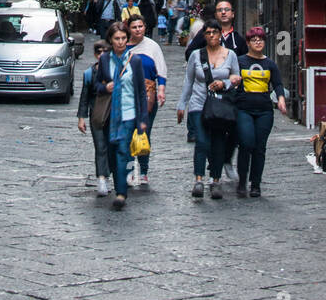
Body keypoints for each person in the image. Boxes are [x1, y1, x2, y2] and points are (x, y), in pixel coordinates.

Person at [177, 18, 241, 200]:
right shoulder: (196, 56)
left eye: (215, 32)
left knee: (219, 142)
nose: (212, 35)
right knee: (203, 142)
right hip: (199, 104)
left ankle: (216, 180)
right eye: (208, 33)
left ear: (220, 34)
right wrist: (182, 105)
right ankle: (198, 180)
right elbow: (189, 81)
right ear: (203, 35)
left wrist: (224, 83)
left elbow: (237, 78)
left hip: (220, 105)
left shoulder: (230, 56)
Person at [186, 0, 246, 182]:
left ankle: (225, 160)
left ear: (233, 14)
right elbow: (190, 54)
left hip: (230, 96)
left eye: (227, 9)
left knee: (234, 131)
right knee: (208, 136)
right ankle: (213, 172)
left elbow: (242, 66)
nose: (224, 12)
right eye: (220, 10)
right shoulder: (206, 34)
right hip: (205, 97)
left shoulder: (238, 40)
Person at [93, 22, 149, 210]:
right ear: (110, 40)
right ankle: (119, 186)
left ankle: (121, 193)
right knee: (111, 152)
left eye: (124, 38)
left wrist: (142, 119)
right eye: (117, 39)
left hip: (128, 113)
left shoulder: (135, 61)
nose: (121, 42)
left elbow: (141, 91)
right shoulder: (105, 59)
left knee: (123, 152)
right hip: (110, 114)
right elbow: (97, 86)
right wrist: (105, 87)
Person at [235, 27, 287, 198]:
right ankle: (242, 181)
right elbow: (231, 78)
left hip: (264, 111)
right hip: (243, 109)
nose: (257, 42)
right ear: (248, 43)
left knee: (259, 148)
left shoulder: (270, 64)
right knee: (246, 143)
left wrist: (280, 99)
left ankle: (255, 184)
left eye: (260, 39)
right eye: (253, 39)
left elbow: (278, 84)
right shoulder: (240, 61)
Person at [125, 13, 168, 188]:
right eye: (134, 27)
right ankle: (128, 170)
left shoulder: (152, 47)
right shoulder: (123, 45)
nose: (138, 30)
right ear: (129, 28)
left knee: (144, 132)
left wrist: (161, 91)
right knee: (127, 133)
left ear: (145, 27)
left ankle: (143, 171)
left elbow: (161, 71)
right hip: (127, 94)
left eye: (140, 26)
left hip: (148, 95)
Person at [76, 39, 112, 196]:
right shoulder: (89, 73)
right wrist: (81, 118)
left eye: (105, 52)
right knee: (100, 147)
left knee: (111, 146)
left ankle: (109, 174)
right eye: (99, 52)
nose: (102, 55)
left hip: (112, 113)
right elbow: (84, 97)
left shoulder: (114, 71)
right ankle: (102, 178)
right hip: (96, 114)